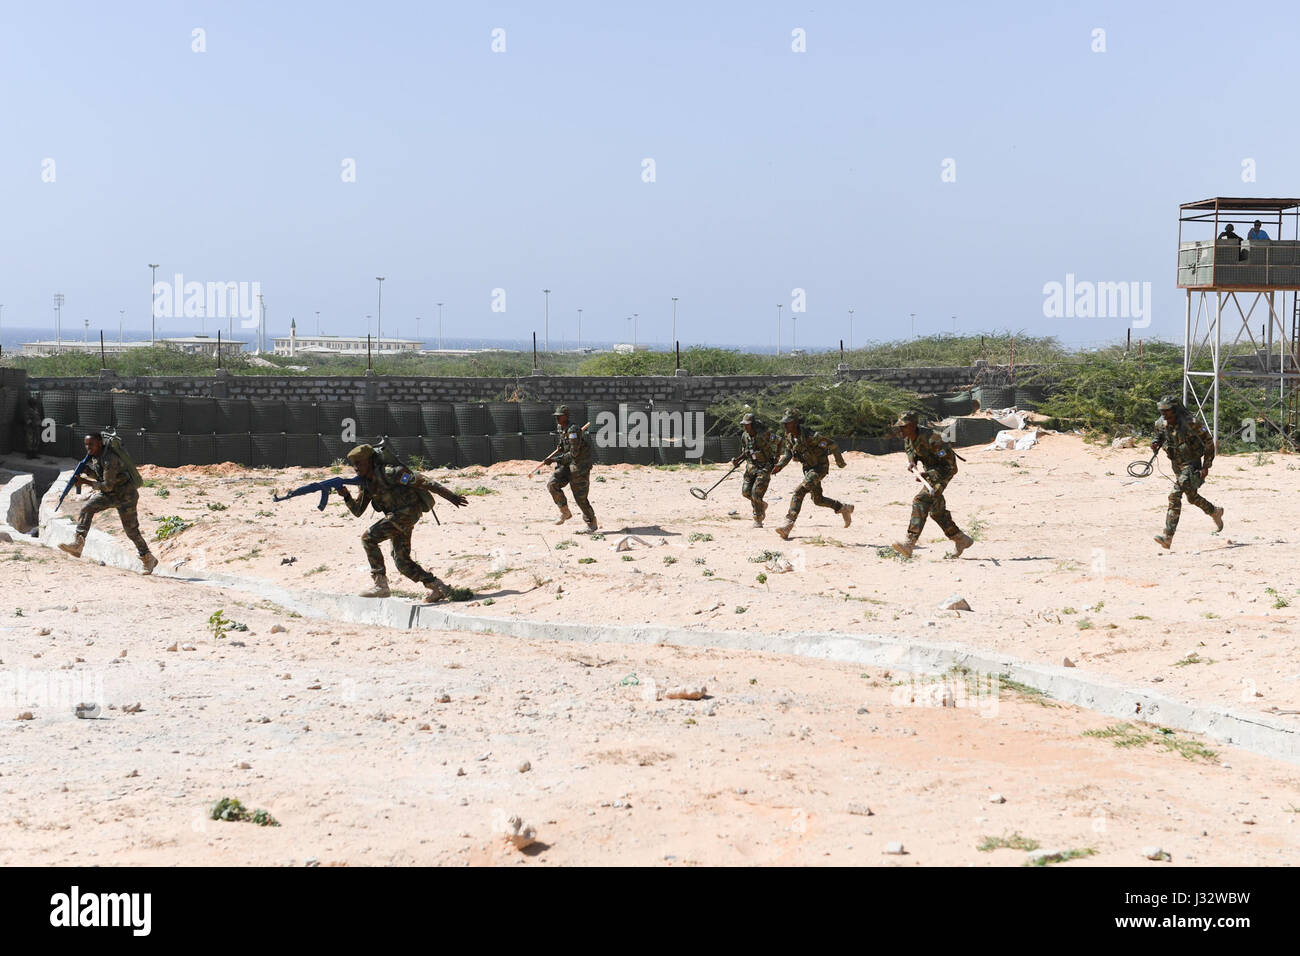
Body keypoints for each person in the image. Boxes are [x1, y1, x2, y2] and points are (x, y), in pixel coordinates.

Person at [339, 443, 469, 600]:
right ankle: (438, 587)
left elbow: (424, 481)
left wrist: (451, 496)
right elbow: (358, 511)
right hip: (396, 517)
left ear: (370, 461)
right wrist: (346, 495)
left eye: (359, 463)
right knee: (402, 562)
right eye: (354, 464)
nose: (356, 467)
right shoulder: (366, 484)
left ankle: (381, 585)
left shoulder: (391, 472)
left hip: (407, 513)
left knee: (368, 538)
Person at [57, 432, 158, 574]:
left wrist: (85, 482)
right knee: (87, 508)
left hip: (125, 496)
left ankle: (148, 558)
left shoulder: (110, 459)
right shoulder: (96, 457)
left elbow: (107, 485)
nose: (88, 448)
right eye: (86, 445)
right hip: (110, 495)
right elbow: (100, 475)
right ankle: (78, 544)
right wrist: (87, 471)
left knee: (131, 531)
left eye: (91, 444)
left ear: (99, 443)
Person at [890, 412, 973, 558]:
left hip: (942, 474)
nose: (901, 430)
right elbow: (910, 450)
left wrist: (927, 475)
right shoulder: (908, 437)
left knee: (921, 500)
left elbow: (950, 467)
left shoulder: (934, 439)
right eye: (900, 427)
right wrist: (912, 462)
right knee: (936, 510)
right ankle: (960, 539)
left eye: (904, 427)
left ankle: (909, 544)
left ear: (913, 425)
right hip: (931, 474)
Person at [1151, 396, 1223, 549]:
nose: (1164, 414)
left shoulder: (1192, 423)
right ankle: (1214, 511)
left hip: (1192, 464)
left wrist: (1206, 466)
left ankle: (1167, 536)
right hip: (1177, 465)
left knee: (1174, 495)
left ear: (1175, 410)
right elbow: (1158, 436)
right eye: (1162, 411)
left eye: (1167, 411)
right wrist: (1155, 443)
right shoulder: (1160, 423)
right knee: (1192, 497)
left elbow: (1209, 443)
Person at [770, 408, 853, 540]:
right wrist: (779, 466)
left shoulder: (811, 436)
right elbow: (788, 454)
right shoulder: (790, 437)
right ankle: (842, 507)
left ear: (795, 422)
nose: (785, 425)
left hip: (820, 468)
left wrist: (840, 462)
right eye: (784, 423)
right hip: (808, 469)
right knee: (818, 500)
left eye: (788, 422)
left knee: (799, 492)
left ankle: (787, 525)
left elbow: (832, 445)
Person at [547, 404, 598, 533]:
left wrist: (554, 460)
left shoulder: (573, 430)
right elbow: (564, 448)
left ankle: (591, 523)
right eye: (556, 417)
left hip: (579, 467)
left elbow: (573, 454)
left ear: (566, 416)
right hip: (567, 465)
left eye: (560, 417)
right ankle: (565, 512)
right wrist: (561, 447)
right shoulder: (561, 428)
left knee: (580, 497)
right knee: (552, 484)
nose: (557, 419)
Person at [732, 412, 782, 527]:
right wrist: (737, 460)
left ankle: (758, 518)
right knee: (746, 492)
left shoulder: (764, 434)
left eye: (748, 425)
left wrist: (777, 457)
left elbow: (779, 441)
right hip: (751, 466)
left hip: (765, 467)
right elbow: (746, 451)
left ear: (753, 425)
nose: (745, 427)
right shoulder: (745, 435)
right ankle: (761, 505)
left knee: (756, 493)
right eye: (744, 425)